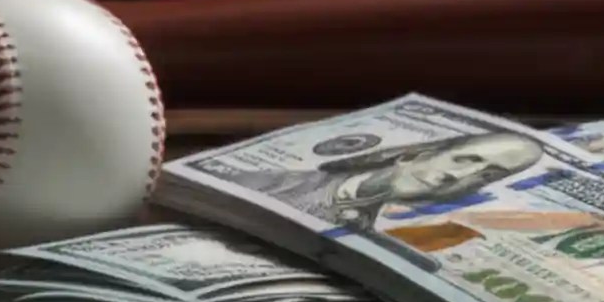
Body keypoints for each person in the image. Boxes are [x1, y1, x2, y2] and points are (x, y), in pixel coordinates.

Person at [228, 131, 545, 235]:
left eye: (488, 175)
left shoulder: (391, 235)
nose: (457, 176)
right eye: (466, 160)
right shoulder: (264, 183)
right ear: (414, 155)